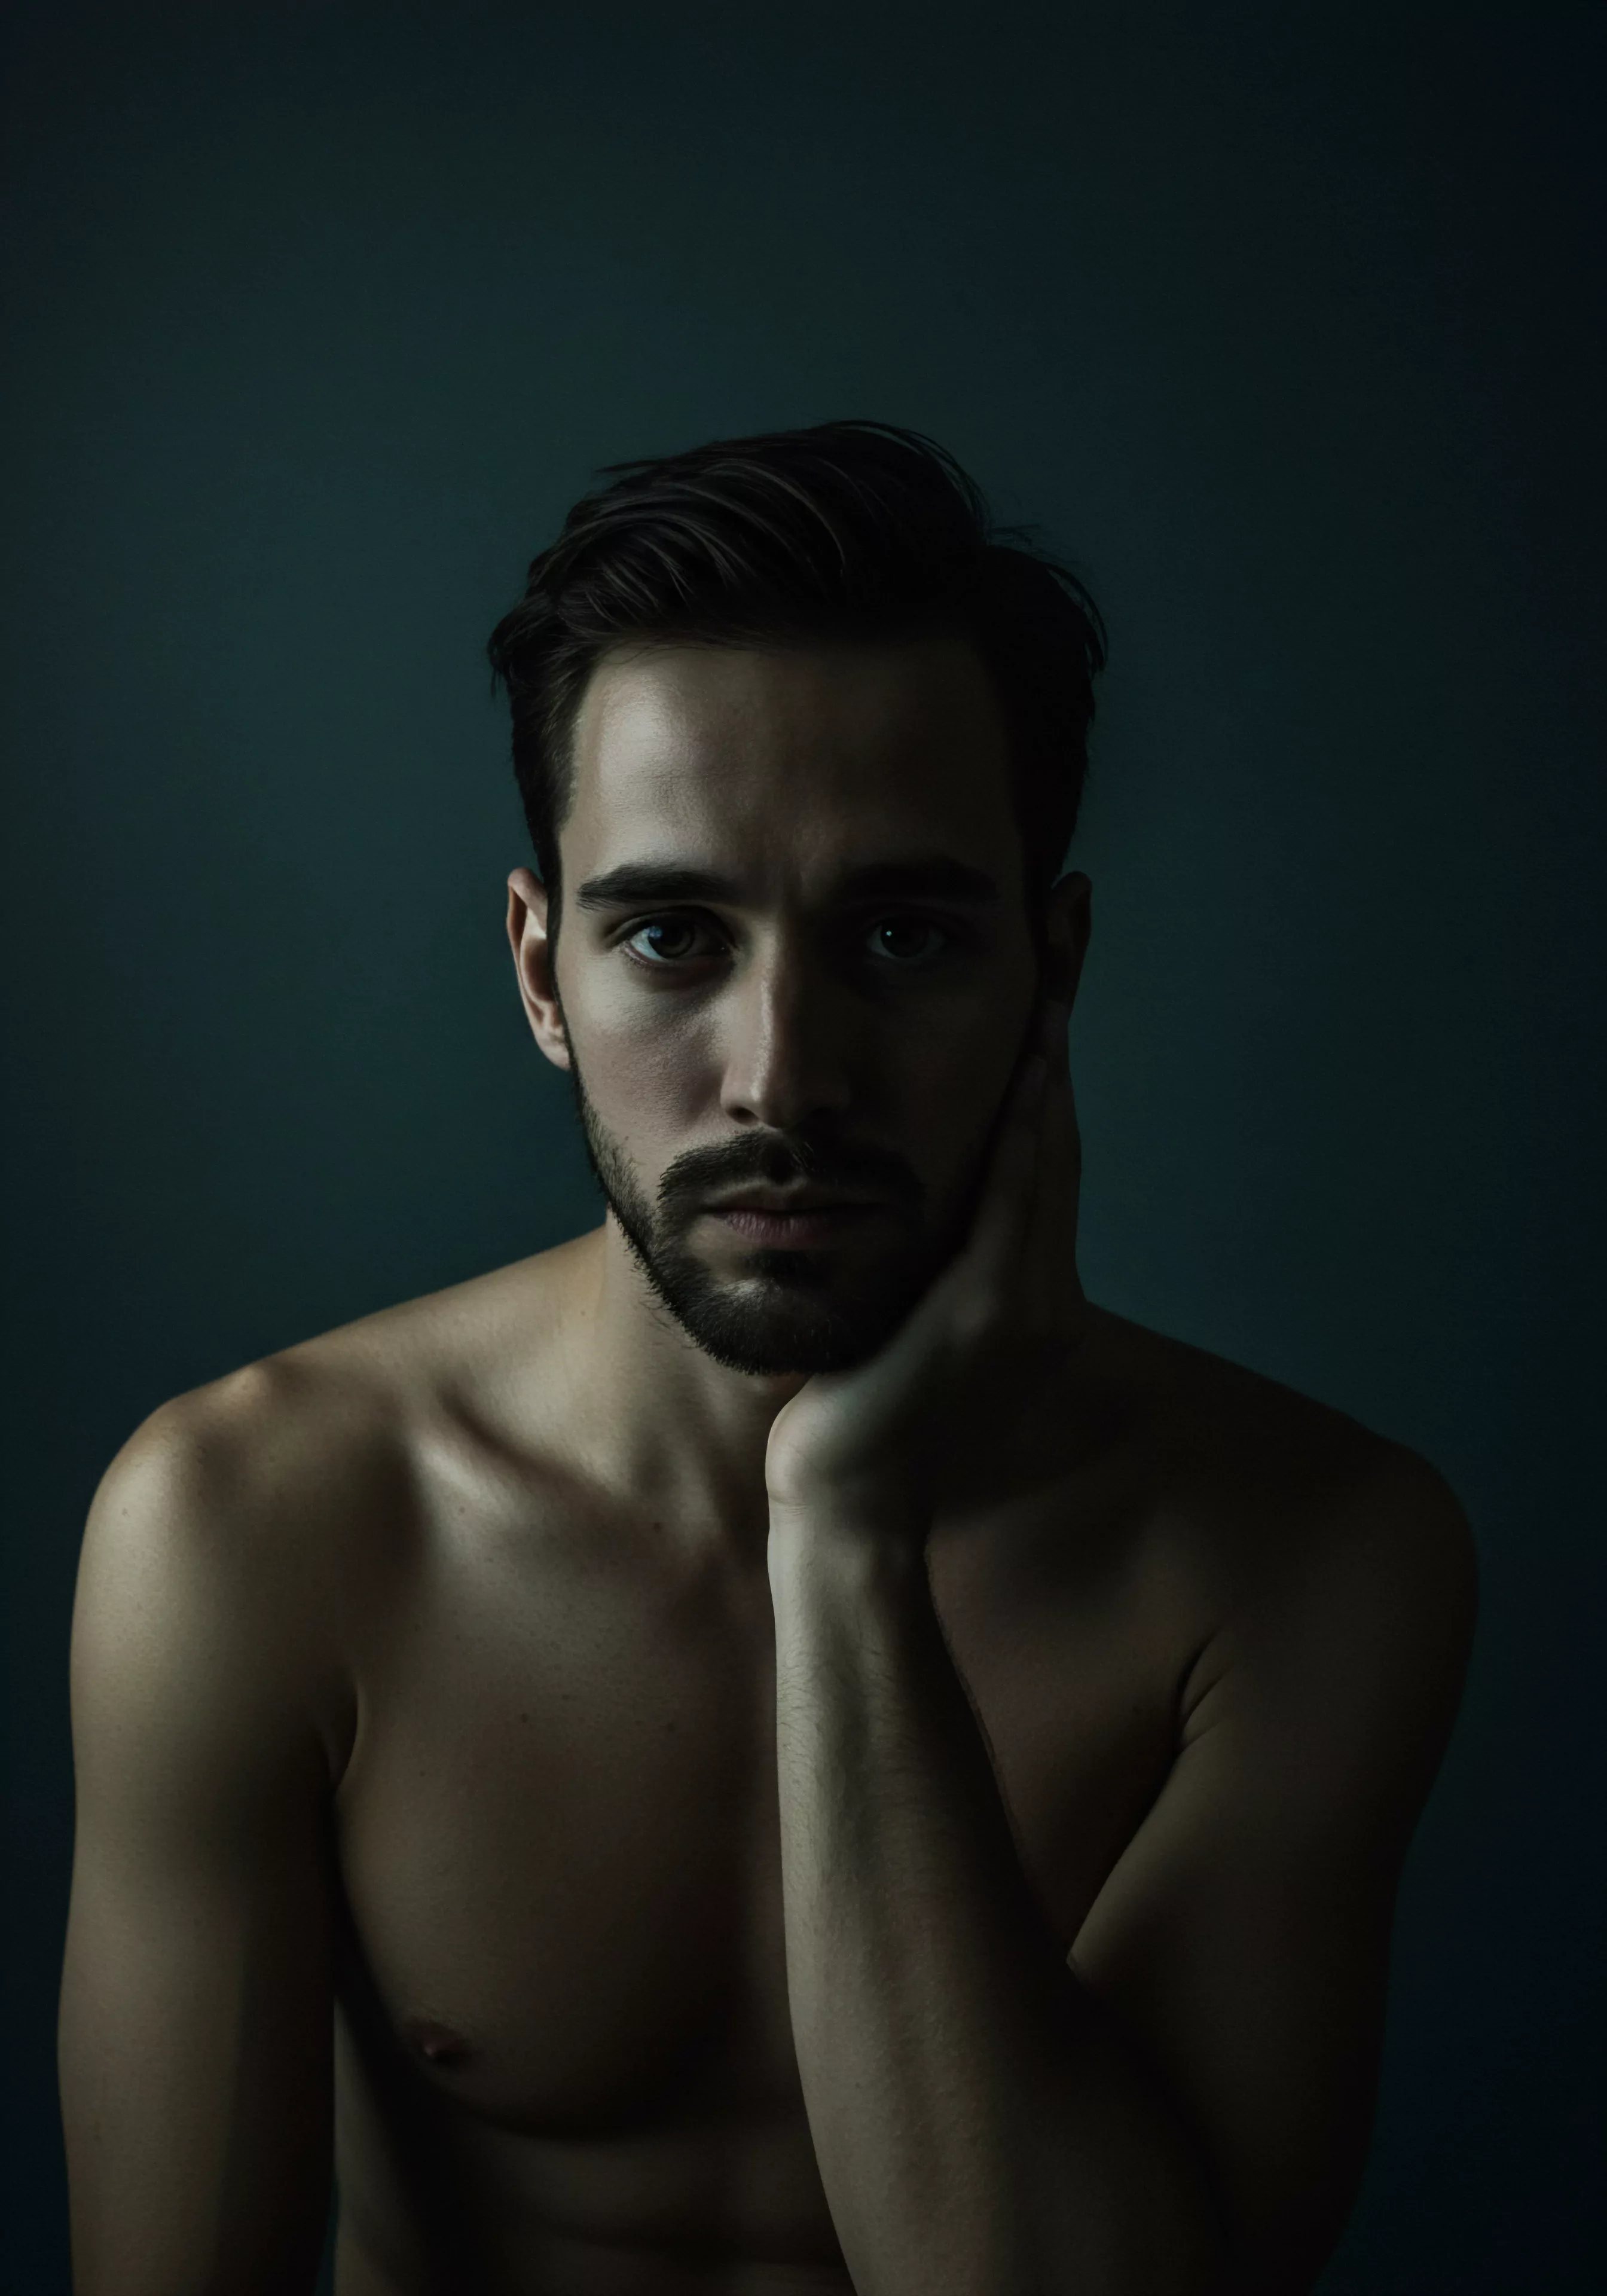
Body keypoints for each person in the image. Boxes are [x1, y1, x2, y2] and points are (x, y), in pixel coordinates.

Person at [58, 421, 1475, 2296]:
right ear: (542, 971)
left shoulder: (1305, 1559)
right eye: (670, 933)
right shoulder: (258, 1525)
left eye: (899, 933)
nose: (784, 1074)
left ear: (1051, 974)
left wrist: (845, 1527)